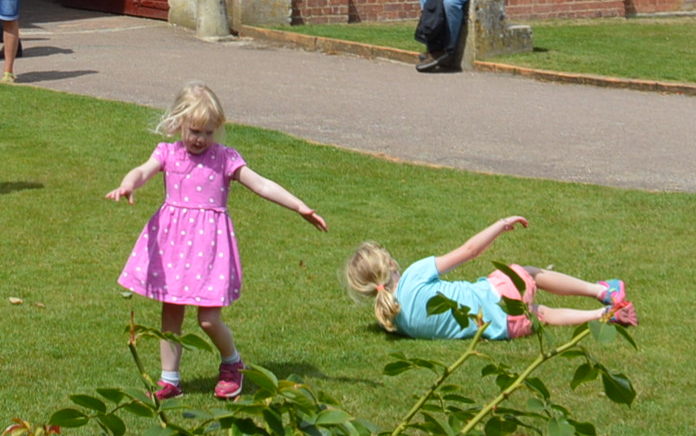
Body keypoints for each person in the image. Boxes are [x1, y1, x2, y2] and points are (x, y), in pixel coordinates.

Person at [109, 82, 327, 401]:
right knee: (170, 312)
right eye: (194, 130)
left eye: (208, 133)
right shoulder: (167, 152)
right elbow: (143, 171)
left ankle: (232, 363)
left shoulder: (224, 159)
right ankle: (169, 380)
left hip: (209, 250)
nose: (200, 139)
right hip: (172, 248)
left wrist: (299, 206)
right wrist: (128, 184)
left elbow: (262, 184)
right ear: (178, 123)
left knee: (209, 319)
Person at [344, 216, 635, 341]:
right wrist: (500, 224)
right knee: (529, 273)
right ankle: (601, 292)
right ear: (391, 262)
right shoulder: (414, 275)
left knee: (541, 314)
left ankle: (603, 315)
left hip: (502, 328)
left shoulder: (394, 321)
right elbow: (469, 251)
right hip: (496, 295)